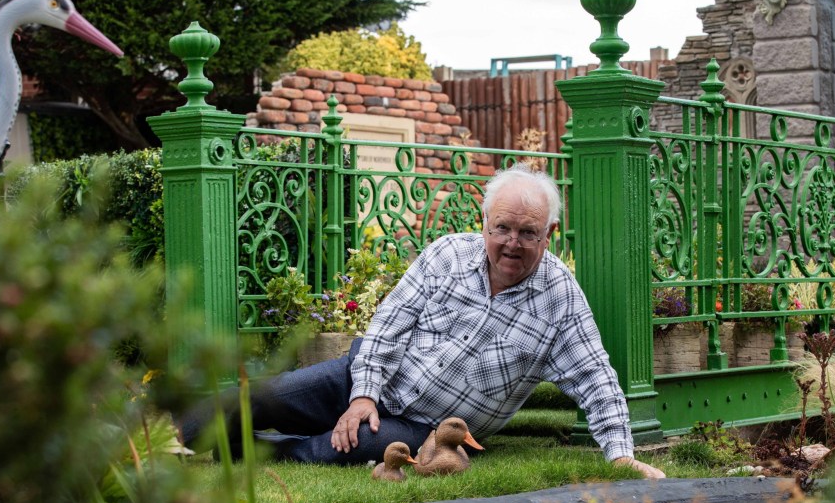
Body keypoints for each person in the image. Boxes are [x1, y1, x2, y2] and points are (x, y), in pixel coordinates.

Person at [181, 164, 664, 479]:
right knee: (264, 397)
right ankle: (166, 443)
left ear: (550, 234)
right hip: (365, 376)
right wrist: (364, 393)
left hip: (427, 428)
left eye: (528, 233)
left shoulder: (561, 300)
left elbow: (596, 380)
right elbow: (389, 325)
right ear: (484, 223)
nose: (512, 243)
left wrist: (621, 457)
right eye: (502, 228)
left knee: (343, 448)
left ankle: (258, 455)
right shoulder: (448, 254)